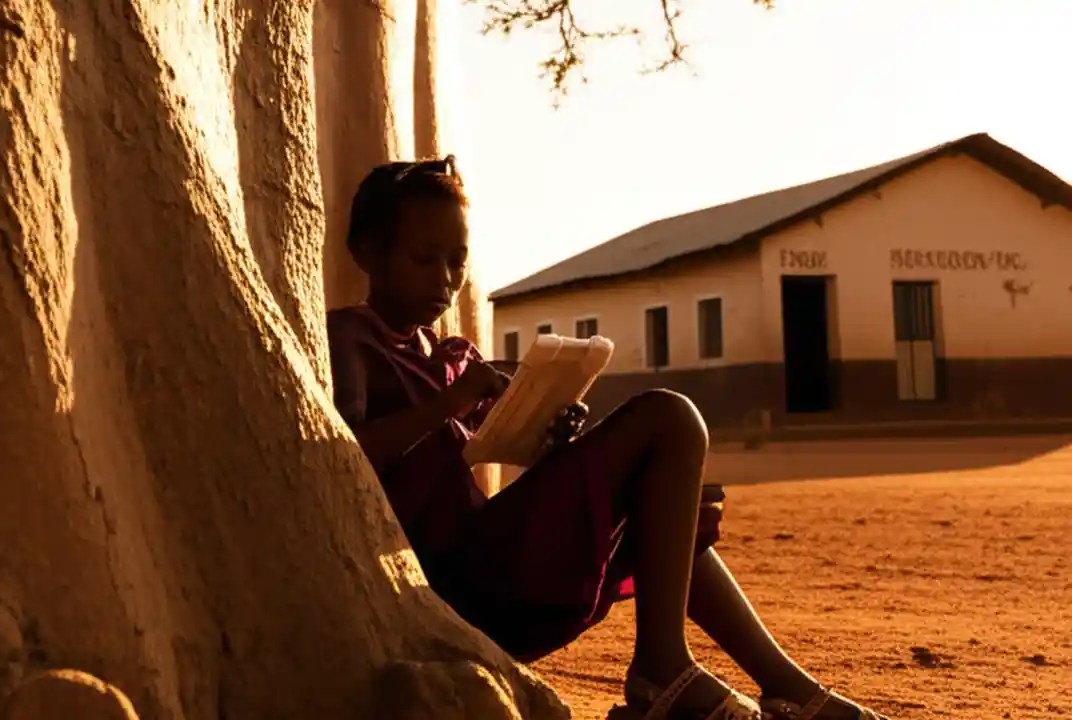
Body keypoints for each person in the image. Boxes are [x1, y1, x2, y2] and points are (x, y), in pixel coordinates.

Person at [326, 156, 889, 720]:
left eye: (458, 262)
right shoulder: (354, 336)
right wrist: (448, 403)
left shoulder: (452, 358)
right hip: (448, 581)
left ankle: (787, 683)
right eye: (424, 259)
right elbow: (345, 453)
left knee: (665, 500)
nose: (445, 280)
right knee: (668, 417)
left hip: (494, 559)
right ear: (368, 255)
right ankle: (662, 668)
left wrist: (548, 438)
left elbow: (482, 453)